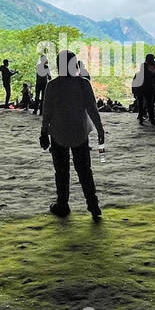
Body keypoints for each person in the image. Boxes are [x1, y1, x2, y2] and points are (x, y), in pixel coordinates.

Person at [39, 50, 105, 220]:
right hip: (80, 132)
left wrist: (44, 131)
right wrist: (100, 129)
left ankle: (63, 204)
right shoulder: (83, 84)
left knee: (61, 171)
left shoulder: (52, 85)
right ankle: (93, 206)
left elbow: (47, 112)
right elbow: (92, 109)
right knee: (84, 170)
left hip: (58, 132)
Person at [137, 53, 155, 124]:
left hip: (141, 89)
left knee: (142, 104)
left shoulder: (141, 69)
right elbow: (151, 76)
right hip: (147, 89)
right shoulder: (148, 70)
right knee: (149, 104)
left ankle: (141, 118)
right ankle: (151, 119)